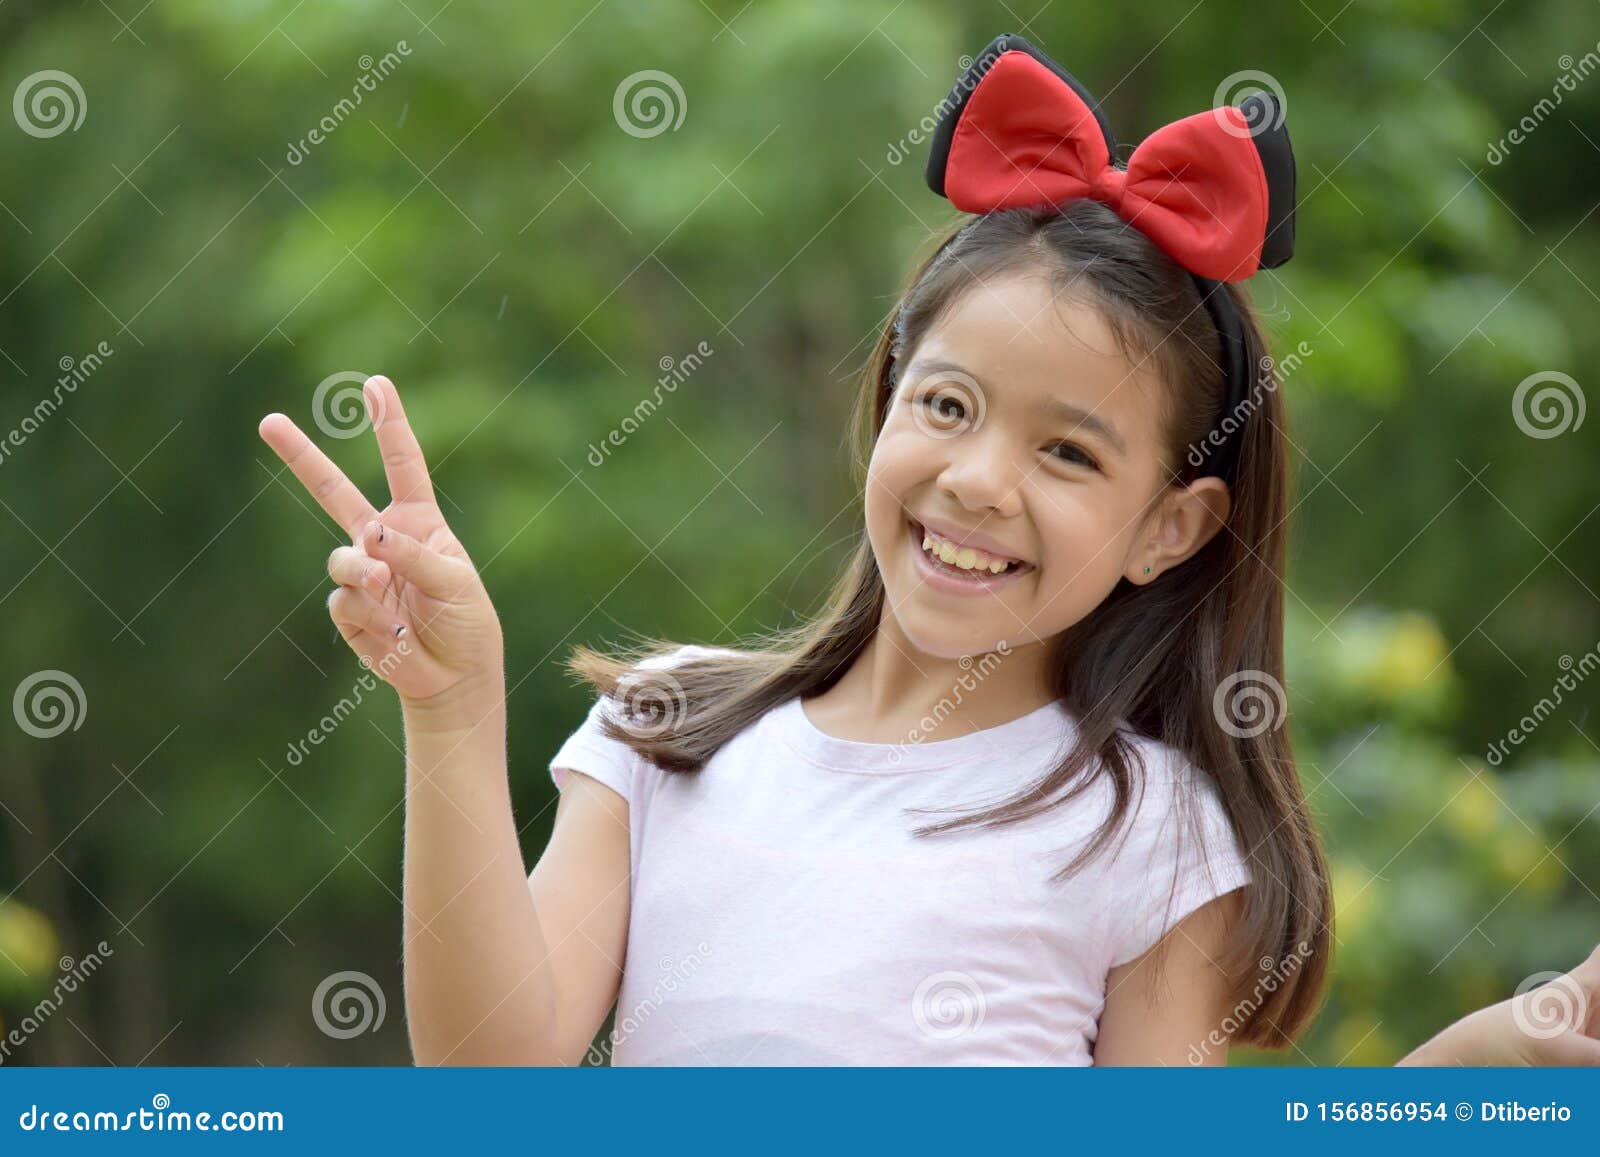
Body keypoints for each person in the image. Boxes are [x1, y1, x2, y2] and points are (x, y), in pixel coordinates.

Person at [256, 35, 1599, 1066]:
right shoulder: (666, 732)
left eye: (1068, 453)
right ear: (888, 395)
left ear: (1169, 527)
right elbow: (491, 1079)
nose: (977, 481)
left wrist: (1456, 1078)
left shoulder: (1151, 829)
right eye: (948, 406)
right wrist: (451, 709)